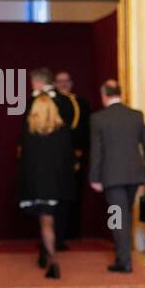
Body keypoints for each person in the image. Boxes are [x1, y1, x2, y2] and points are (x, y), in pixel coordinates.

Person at [89, 79, 145, 273]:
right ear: (121, 94)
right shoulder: (136, 115)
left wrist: (94, 177)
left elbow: (97, 151)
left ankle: (123, 260)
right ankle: (123, 255)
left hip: (112, 177)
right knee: (124, 214)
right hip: (135, 175)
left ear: (104, 95)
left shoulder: (98, 118)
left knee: (117, 218)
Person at [18, 71, 77, 279]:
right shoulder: (62, 134)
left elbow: (26, 163)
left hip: (37, 185)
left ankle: (53, 260)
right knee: (50, 222)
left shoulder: (30, 135)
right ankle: (48, 256)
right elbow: (66, 162)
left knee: (45, 223)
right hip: (56, 185)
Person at [53, 70, 88, 246]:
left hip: (75, 158)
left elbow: (83, 131)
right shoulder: (50, 104)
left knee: (71, 197)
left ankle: (69, 234)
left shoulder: (80, 103)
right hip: (53, 160)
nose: (63, 84)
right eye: (60, 81)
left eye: (66, 81)